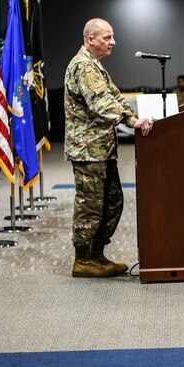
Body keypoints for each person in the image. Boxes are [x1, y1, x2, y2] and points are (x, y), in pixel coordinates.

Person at [64, 18, 153, 278]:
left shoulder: (95, 66)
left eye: (112, 37)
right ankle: (83, 260)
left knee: (111, 202)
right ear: (90, 39)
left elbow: (114, 96)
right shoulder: (84, 67)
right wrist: (133, 121)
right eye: (106, 38)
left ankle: (96, 255)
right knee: (90, 206)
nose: (113, 42)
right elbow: (102, 105)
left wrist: (133, 116)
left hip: (101, 150)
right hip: (88, 151)